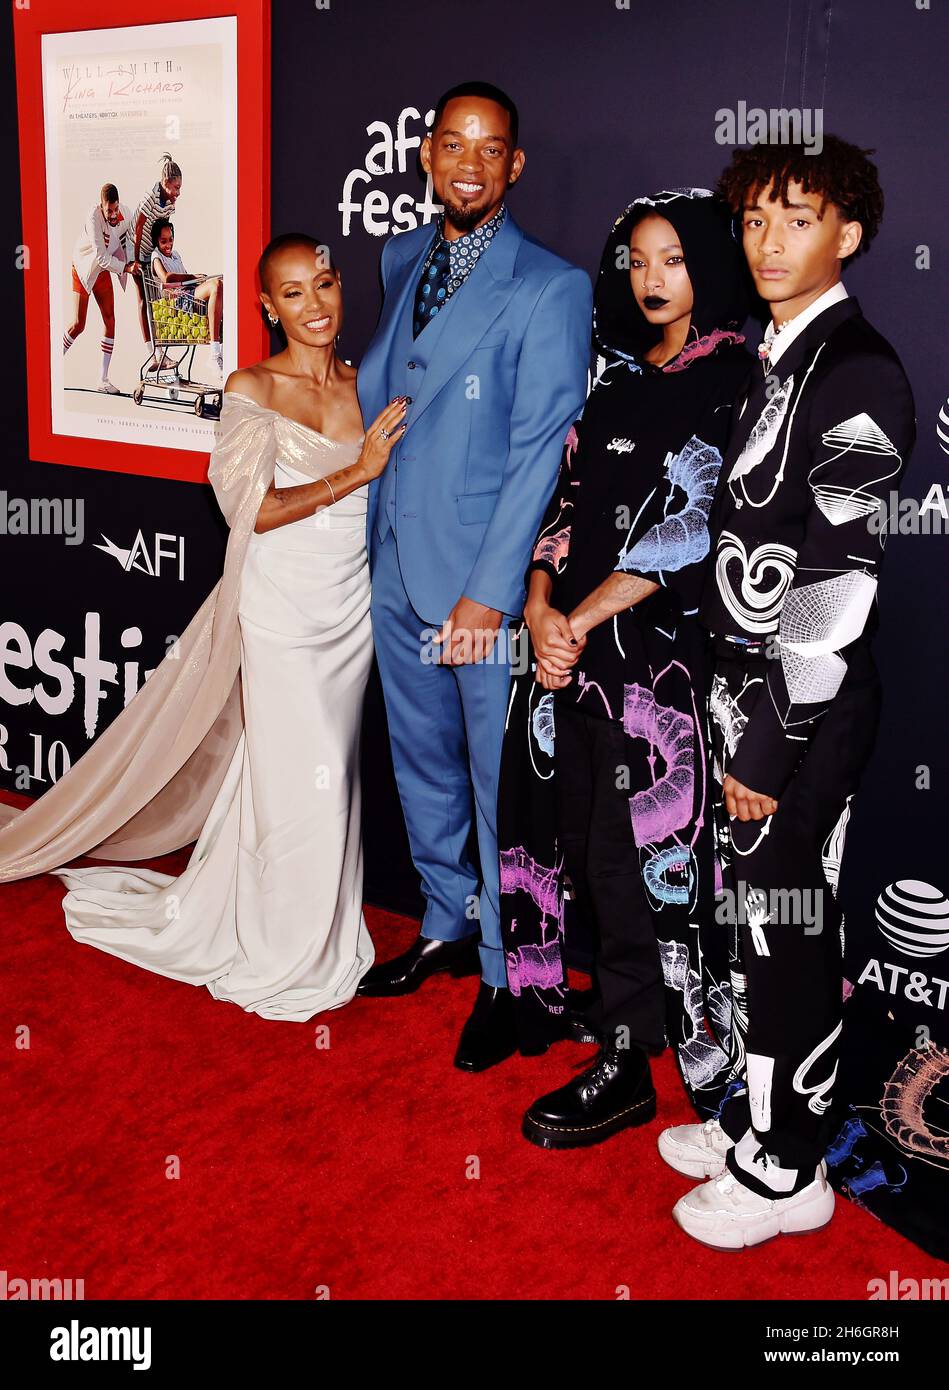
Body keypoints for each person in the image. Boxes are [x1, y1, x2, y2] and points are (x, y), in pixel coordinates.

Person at [0, 234, 407, 1021]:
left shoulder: (370, 383)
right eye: (291, 294)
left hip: (349, 609)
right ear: (266, 307)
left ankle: (301, 923)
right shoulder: (250, 386)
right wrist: (354, 473)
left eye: (322, 284)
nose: (313, 305)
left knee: (319, 776)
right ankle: (288, 949)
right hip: (281, 608)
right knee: (306, 775)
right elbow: (247, 511)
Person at [659, 137, 916, 1247]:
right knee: (747, 928)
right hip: (742, 704)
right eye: (755, 220)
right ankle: (759, 1113)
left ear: (848, 232)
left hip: (795, 718)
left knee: (785, 930)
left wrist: (765, 749)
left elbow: (838, 584)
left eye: (797, 218)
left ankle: (785, 1172)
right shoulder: (781, 353)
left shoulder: (857, 367)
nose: (768, 243)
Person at [498, 189, 753, 1148]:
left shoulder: (733, 375)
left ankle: (640, 1058)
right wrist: (536, 604)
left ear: (707, 267)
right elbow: (566, 501)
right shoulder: (613, 380)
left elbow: (694, 528)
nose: (651, 279)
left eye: (673, 260)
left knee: (651, 867)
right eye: (638, 261)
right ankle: (619, 1037)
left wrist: (579, 614)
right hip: (576, 667)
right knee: (596, 859)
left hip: (664, 678)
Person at [355, 81, 592, 1072]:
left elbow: (539, 450)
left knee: (501, 787)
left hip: (476, 591)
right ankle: (447, 925)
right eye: (451, 142)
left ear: (514, 167)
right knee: (420, 767)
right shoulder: (398, 258)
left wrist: (489, 594)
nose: (467, 161)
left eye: (488, 149)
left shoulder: (549, 285)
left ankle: (507, 970)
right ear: (424, 154)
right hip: (393, 563)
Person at [63, 183, 136, 395]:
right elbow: (102, 257)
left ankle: (103, 380)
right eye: (109, 211)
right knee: (78, 324)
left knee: (110, 320)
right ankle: (51, 367)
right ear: (101, 206)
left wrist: (134, 262)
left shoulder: (126, 213)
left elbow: (130, 242)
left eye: (115, 209)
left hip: (104, 271)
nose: (113, 214)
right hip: (85, 268)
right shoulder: (93, 217)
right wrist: (126, 267)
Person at [150, 216, 224, 381]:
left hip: (188, 295)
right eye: (164, 241)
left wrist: (197, 280)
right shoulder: (156, 257)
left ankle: (221, 352)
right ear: (156, 241)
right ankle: (214, 354)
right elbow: (167, 278)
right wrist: (192, 276)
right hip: (178, 304)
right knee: (216, 286)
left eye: (171, 240)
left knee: (222, 285)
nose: (168, 245)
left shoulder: (176, 255)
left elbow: (186, 281)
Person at [132, 153, 184, 379]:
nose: (178, 192)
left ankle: (159, 353)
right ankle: (153, 354)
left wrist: (165, 255)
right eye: (175, 187)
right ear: (164, 184)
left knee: (158, 300)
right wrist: (135, 261)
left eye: (180, 187)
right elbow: (138, 229)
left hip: (151, 252)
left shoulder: (170, 203)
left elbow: (165, 230)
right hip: (135, 250)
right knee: (145, 300)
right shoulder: (149, 198)